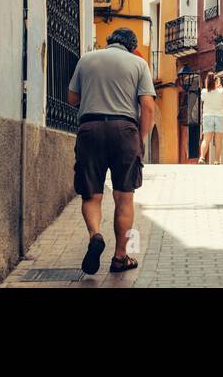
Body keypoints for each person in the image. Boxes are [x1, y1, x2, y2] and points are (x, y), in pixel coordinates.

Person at [67, 27, 156, 275]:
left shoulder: (86, 60)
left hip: (90, 128)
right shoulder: (138, 64)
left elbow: (72, 98)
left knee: (91, 195)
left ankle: (95, 234)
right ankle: (119, 257)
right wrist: (141, 137)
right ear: (131, 45)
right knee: (124, 196)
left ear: (109, 42)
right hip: (124, 130)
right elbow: (147, 106)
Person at [198, 72, 223, 164]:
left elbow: (203, 99)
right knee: (218, 140)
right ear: (216, 82)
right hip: (220, 116)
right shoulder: (221, 91)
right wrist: (220, 86)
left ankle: (202, 157)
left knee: (206, 139)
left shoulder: (204, 92)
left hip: (208, 116)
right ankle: (217, 160)